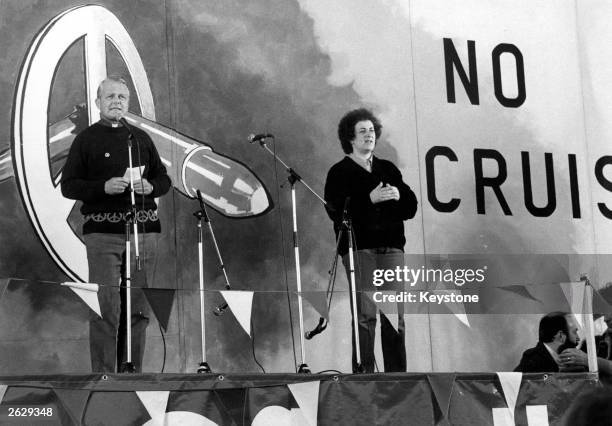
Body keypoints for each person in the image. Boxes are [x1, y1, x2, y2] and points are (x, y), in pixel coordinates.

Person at [61, 76, 171, 372]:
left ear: (128, 102)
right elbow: (68, 187)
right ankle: (104, 376)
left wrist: (151, 187)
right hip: (103, 235)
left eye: (122, 97)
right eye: (110, 97)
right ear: (97, 103)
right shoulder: (86, 140)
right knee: (106, 306)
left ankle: (132, 371)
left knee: (138, 308)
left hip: (143, 234)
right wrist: (102, 187)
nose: (116, 102)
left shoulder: (140, 139)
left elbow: (164, 179)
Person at [324, 108, 418, 373]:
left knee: (394, 318)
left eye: (372, 131)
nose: (369, 135)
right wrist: (370, 200)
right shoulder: (339, 172)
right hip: (359, 249)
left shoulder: (387, 168)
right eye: (363, 131)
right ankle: (364, 375)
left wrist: (399, 196)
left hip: (391, 248)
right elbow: (335, 211)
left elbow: (410, 207)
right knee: (365, 316)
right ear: (350, 138)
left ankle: (397, 377)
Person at [514, 312, 580, 373]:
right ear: (560, 336)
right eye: (574, 332)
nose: (578, 338)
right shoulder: (532, 360)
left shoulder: (574, 361)